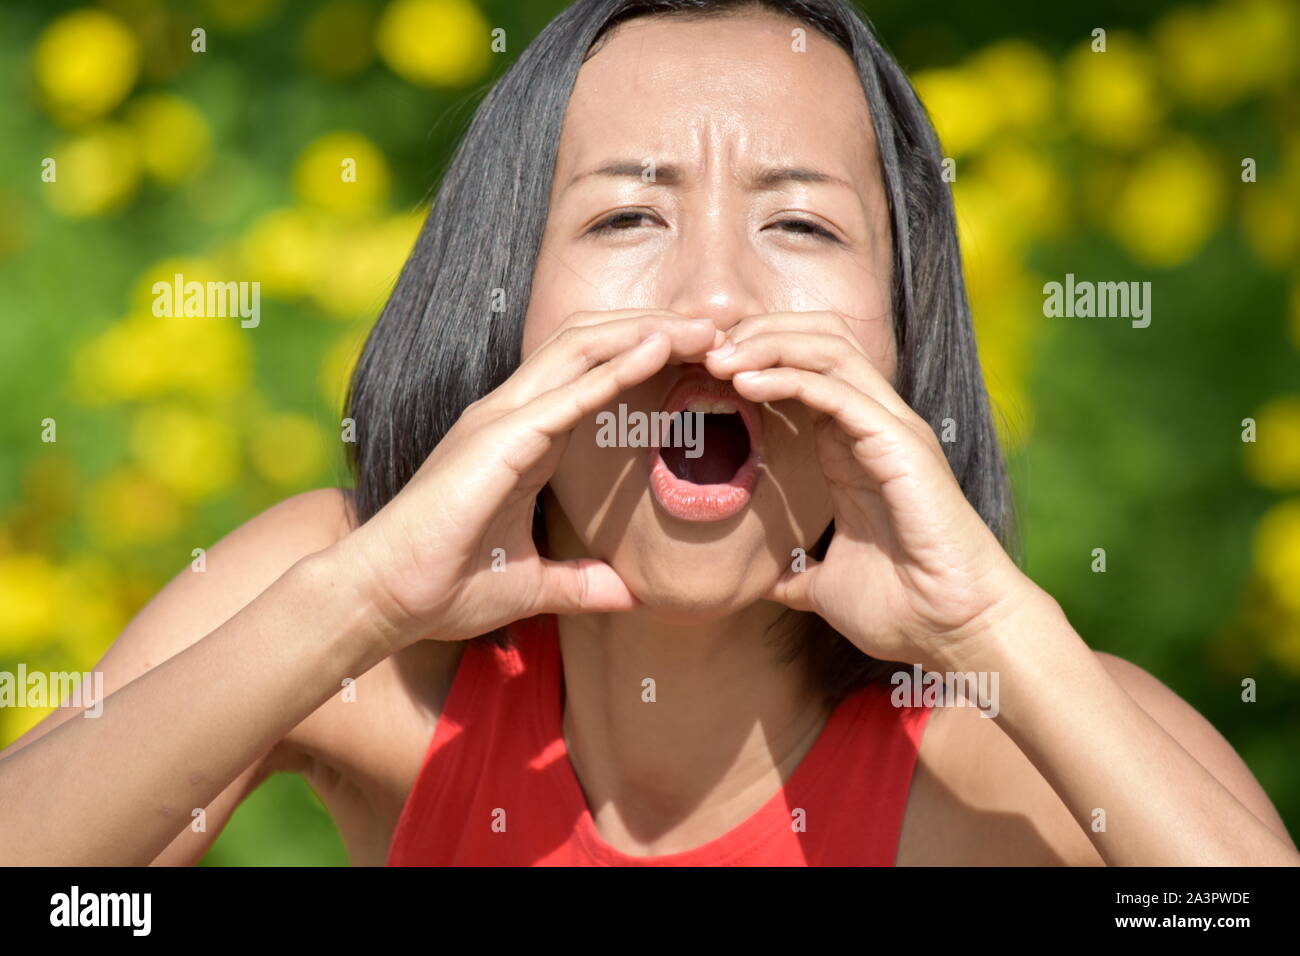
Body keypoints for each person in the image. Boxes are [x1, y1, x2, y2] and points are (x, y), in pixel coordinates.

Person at [3, 0, 1296, 866]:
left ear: (904, 342)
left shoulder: (1004, 753)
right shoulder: (356, 640)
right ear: (503, 307)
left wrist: (995, 633)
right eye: (627, 220)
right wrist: (354, 607)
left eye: (802, 226)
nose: (713, 305)